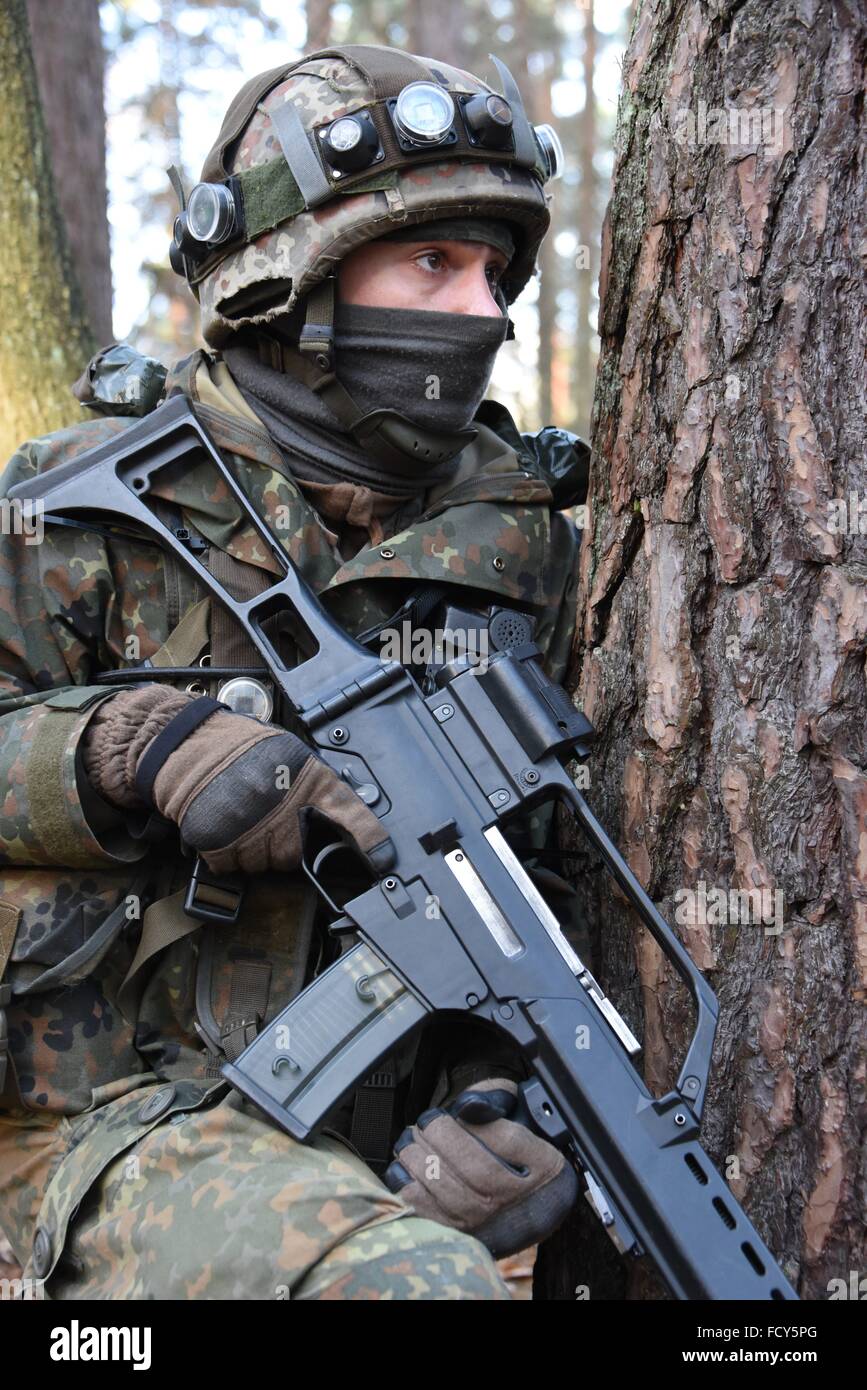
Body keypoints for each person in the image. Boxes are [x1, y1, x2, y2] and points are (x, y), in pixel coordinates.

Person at [0, 43, 589, 1300]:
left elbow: (537, 881)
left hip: (353, 1158)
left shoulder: (524, 551)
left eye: (495, 274)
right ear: (293, 280)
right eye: (434, 262)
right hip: (92, 1120)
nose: (486, 313)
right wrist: (127, 750)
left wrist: (492, 1098)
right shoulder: (76, 506)